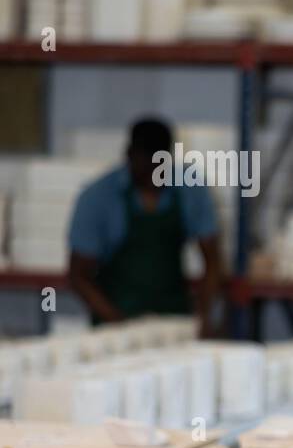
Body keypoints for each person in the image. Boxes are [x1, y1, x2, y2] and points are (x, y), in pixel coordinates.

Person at [67, 117, 222, 336]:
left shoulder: (189, 189)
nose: (151, 175)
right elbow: (78, 275)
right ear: (129, 154)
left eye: (158, 167)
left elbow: (213, 261)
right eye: (145, 165)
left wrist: (205, 318)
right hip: (117, 318)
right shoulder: (98, 198)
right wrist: (118, 324)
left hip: (173, 318)